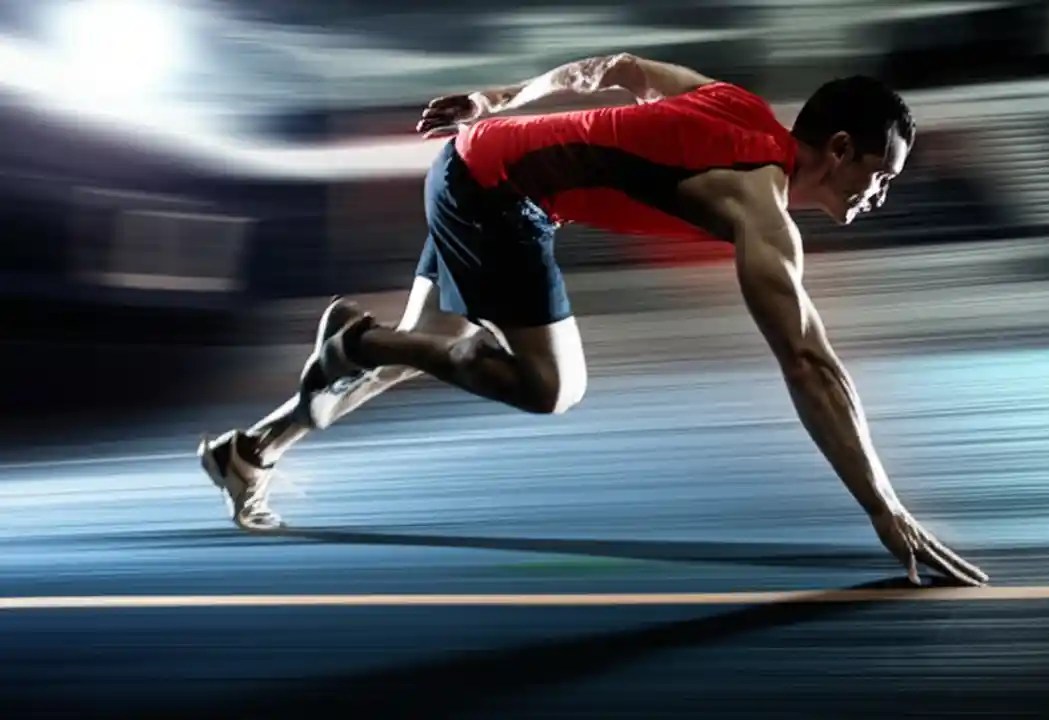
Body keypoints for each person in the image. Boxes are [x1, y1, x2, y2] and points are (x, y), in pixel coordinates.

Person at [198, 52, 988, 587]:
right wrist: (885, 506)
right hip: (495, 191)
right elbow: (811, 364)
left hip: (477, 164)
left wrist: (498, 101)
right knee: (550, 385)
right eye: (880, 178)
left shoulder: (738, 105)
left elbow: (615, 69)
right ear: (840, 148)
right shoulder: (760, 206)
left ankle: (250, 451)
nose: (880, 197)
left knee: (429, 350)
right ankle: (353, 338)